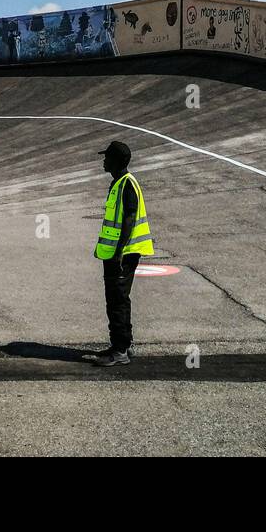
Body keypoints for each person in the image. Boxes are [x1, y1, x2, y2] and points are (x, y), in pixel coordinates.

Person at [87, 140, 154, 367]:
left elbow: (129, 218)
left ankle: (120, 351)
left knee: (117, 300)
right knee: (115, 299)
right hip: (114, 254)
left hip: (123, 255)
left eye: (107, 158)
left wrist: (119, 251)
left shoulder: (127, 184)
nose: (103, 161)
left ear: (116, 161)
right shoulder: (118, 183)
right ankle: (121, 344)